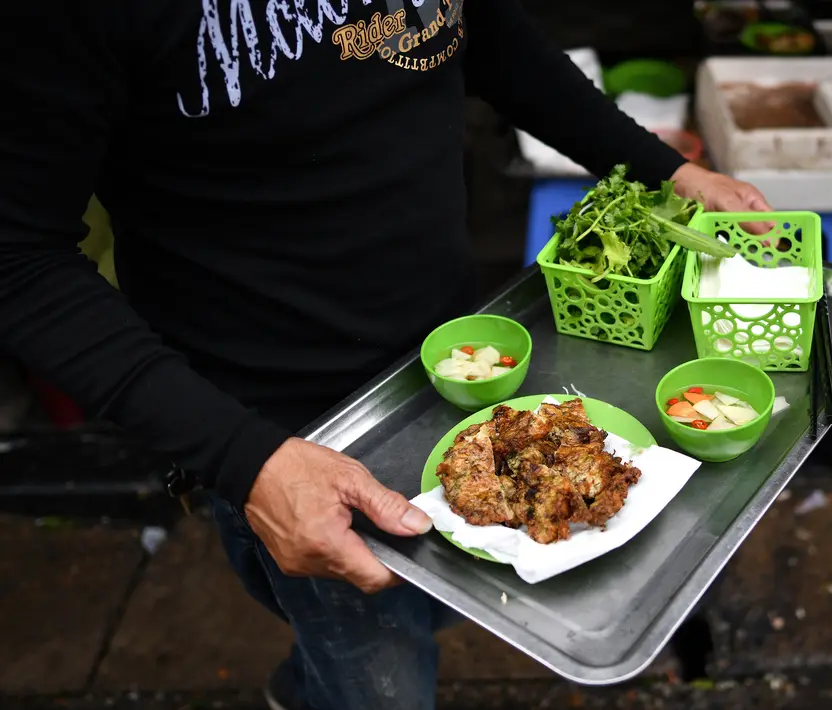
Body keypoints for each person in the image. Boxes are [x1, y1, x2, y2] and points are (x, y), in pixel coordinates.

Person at [0, 2, 771, 708]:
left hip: (449, 359)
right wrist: (245, 460)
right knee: (378, 678)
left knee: (429, 610)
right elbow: (18, 256)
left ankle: (303, 688)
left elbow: (488, 34)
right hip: (281, 427)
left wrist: (666, 169)